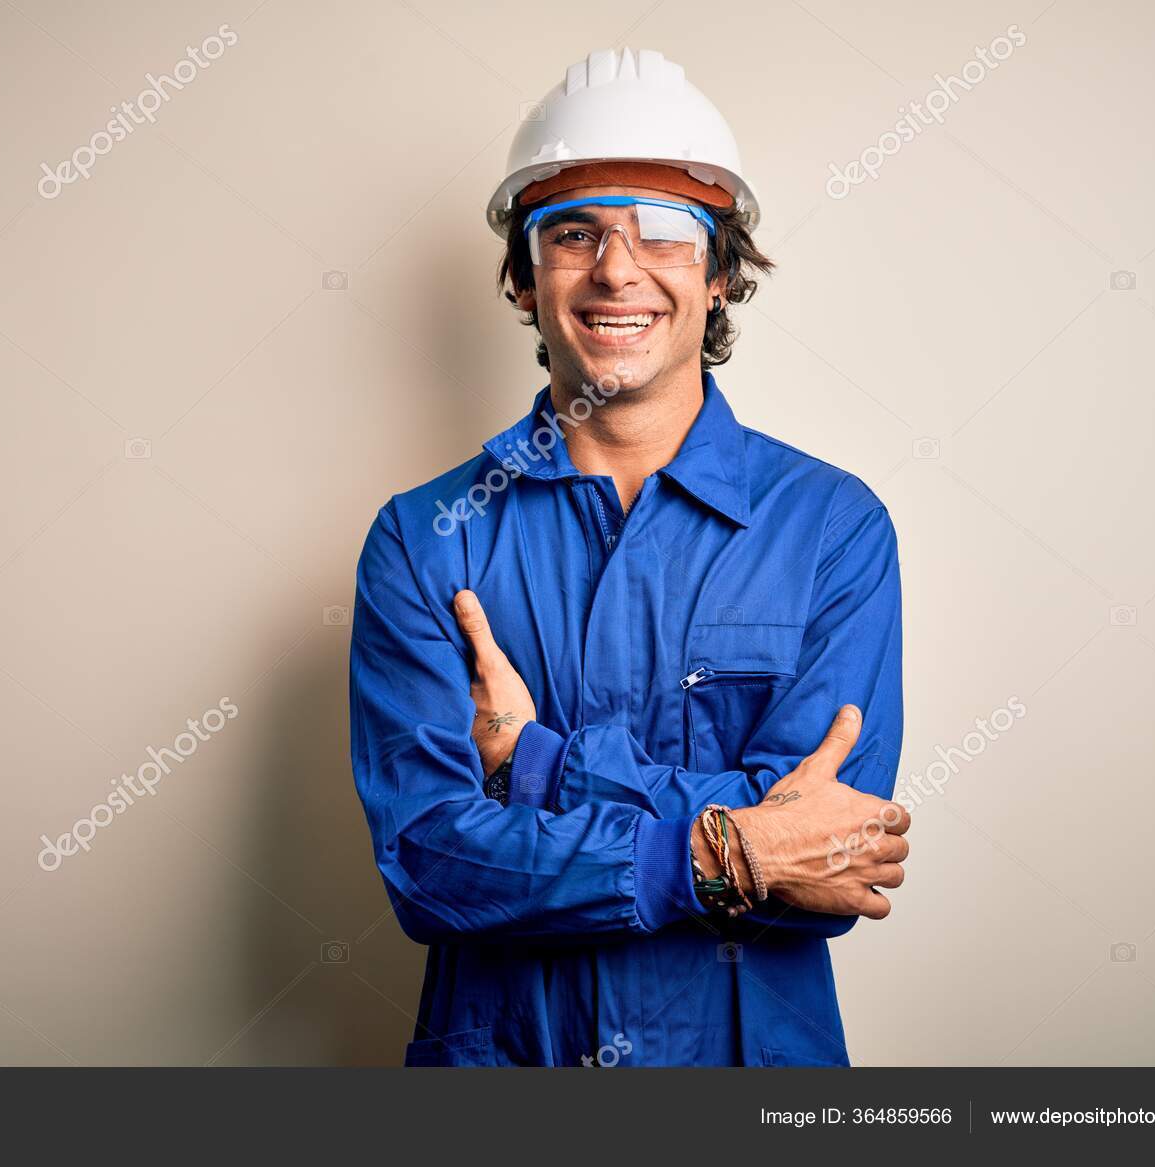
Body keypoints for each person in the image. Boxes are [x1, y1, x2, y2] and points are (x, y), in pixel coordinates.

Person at [348, 47, 909, 1067]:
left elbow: (828, 867)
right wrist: (722, 851)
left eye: (663, 233)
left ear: (720, 273)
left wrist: (536, 764)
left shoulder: (833, 529)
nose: (616, 269)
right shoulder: (425, 538)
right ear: (523, 280)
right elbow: (431, 866)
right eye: (572, 234)